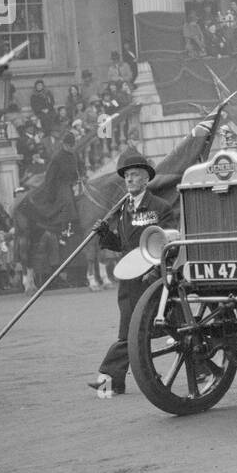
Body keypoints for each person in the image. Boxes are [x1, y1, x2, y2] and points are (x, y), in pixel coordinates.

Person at [86, 148, 175, 396]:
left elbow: (168, 242)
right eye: (127, 176)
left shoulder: (159, 207)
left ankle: (109, 378)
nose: (130, 180)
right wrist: (106, 234)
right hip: (129, 279)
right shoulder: (123, 208)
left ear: (146, 179)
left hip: (153, 280)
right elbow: (123, 246)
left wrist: (156, 270)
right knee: (132, 332)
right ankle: (115, 381)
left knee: (173, 328)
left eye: (135, 175)